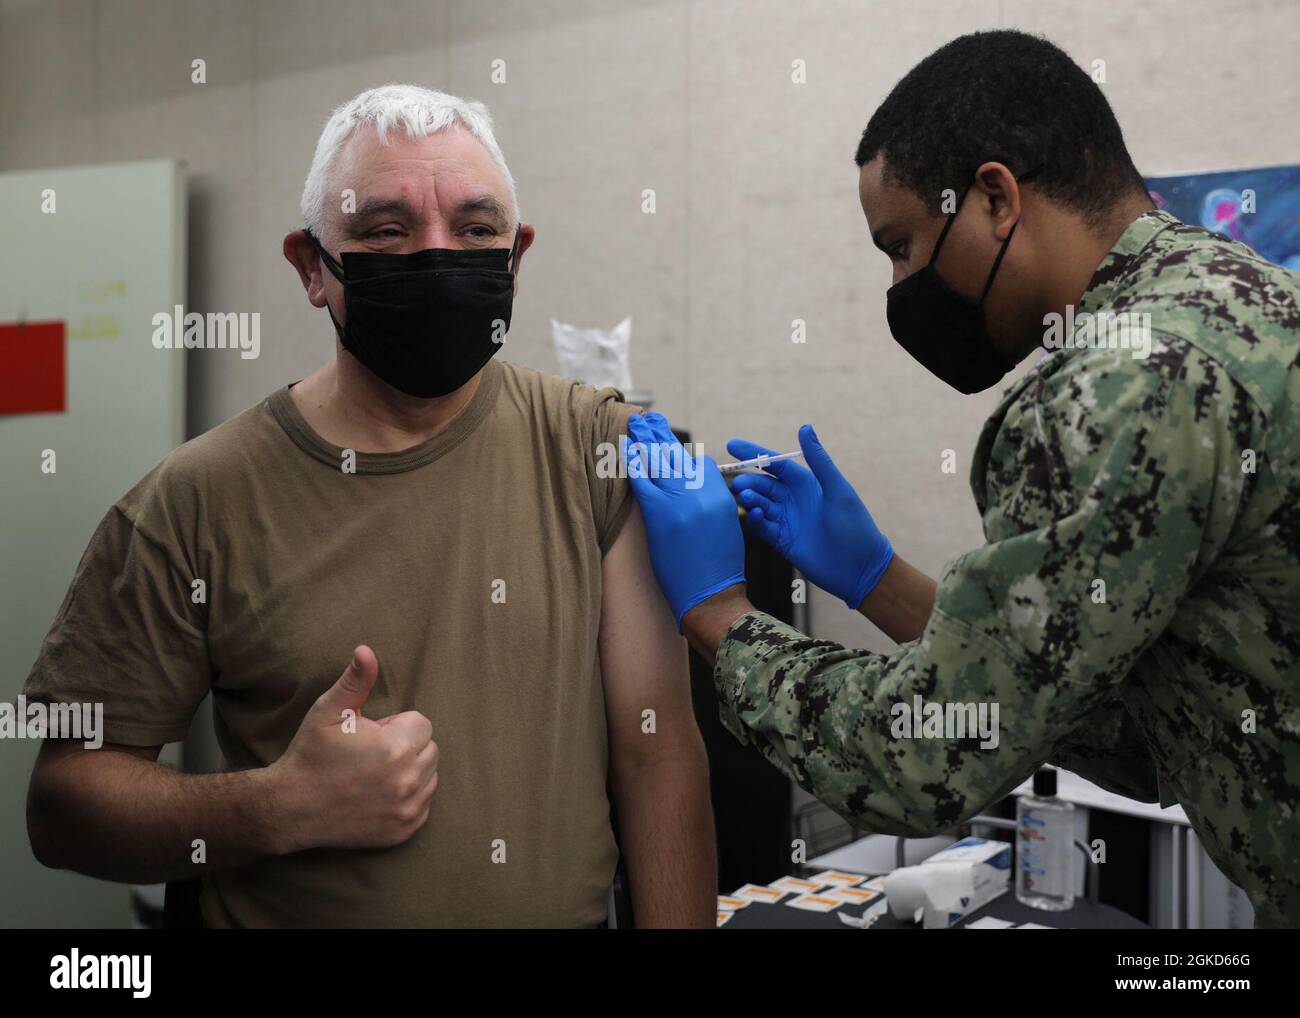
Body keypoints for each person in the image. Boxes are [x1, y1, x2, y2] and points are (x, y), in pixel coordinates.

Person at [624, 31, 1300, 927]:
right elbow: (1117, 708)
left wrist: (721, 616)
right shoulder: (1245, 294)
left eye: (902, 246)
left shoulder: (1112, 388)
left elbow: (923, 756)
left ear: (994, 198)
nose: (902, 284)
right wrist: (879, 580)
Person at [24, 84, 715, 928]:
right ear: (313, 266)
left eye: (474, 229)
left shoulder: (593, 450)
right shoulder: (194, 501)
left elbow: (658, 755)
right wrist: (279, 808)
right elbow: (64, 807)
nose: (436, 256)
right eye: (386, 230)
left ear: (515, 255)